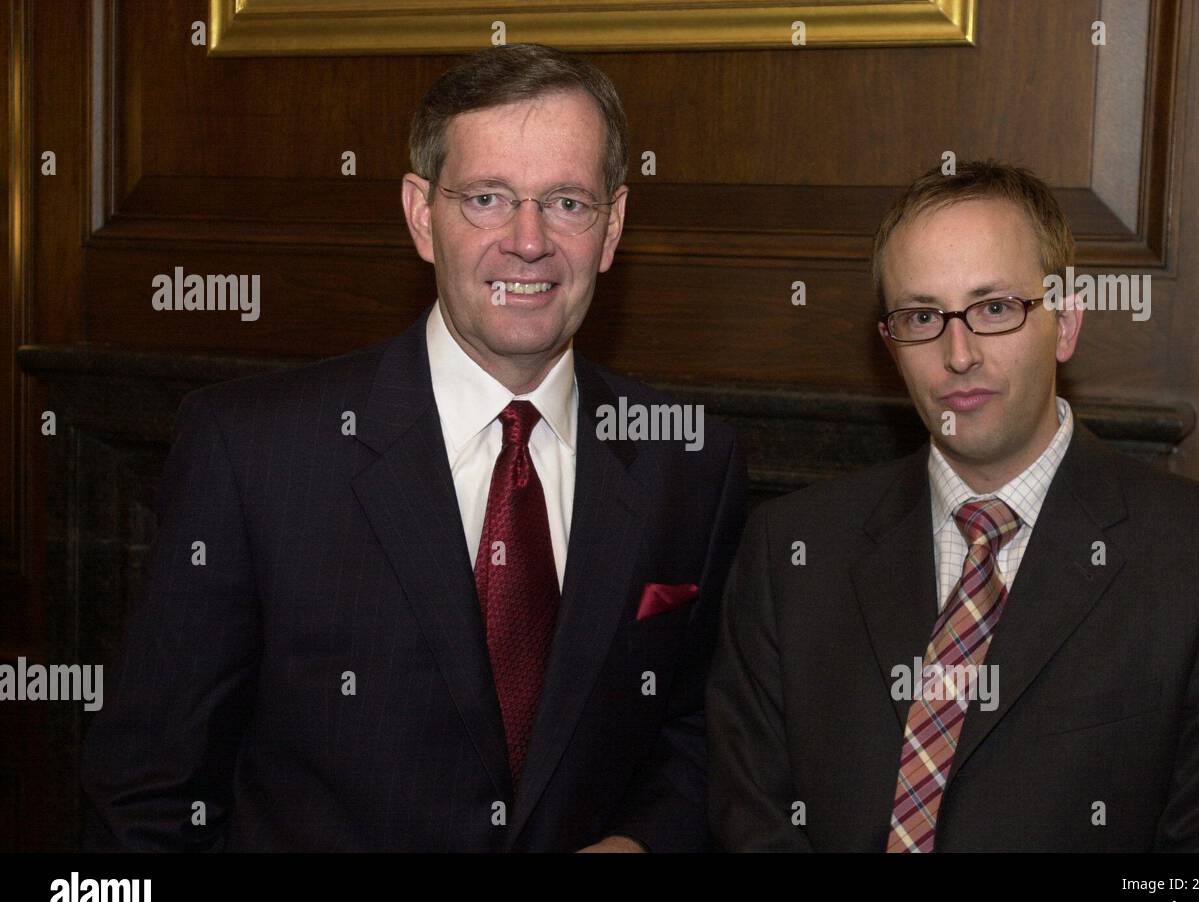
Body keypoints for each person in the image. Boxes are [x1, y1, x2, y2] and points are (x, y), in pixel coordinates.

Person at [81, 43, 747, 853]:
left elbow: (693, 736)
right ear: (420, 214)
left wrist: (642, 844)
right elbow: (148, 794)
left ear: (613, 226)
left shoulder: (689, 462)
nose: (529, 241)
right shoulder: (253, 452)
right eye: (489, 198)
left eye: (568, 201)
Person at [708, 160, 1199, 852]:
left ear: (1067, 323)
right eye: (922, 316)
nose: (959, 355)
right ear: (890, 346)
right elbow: (746, 816)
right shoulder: (792, 550)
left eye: (995, 309)